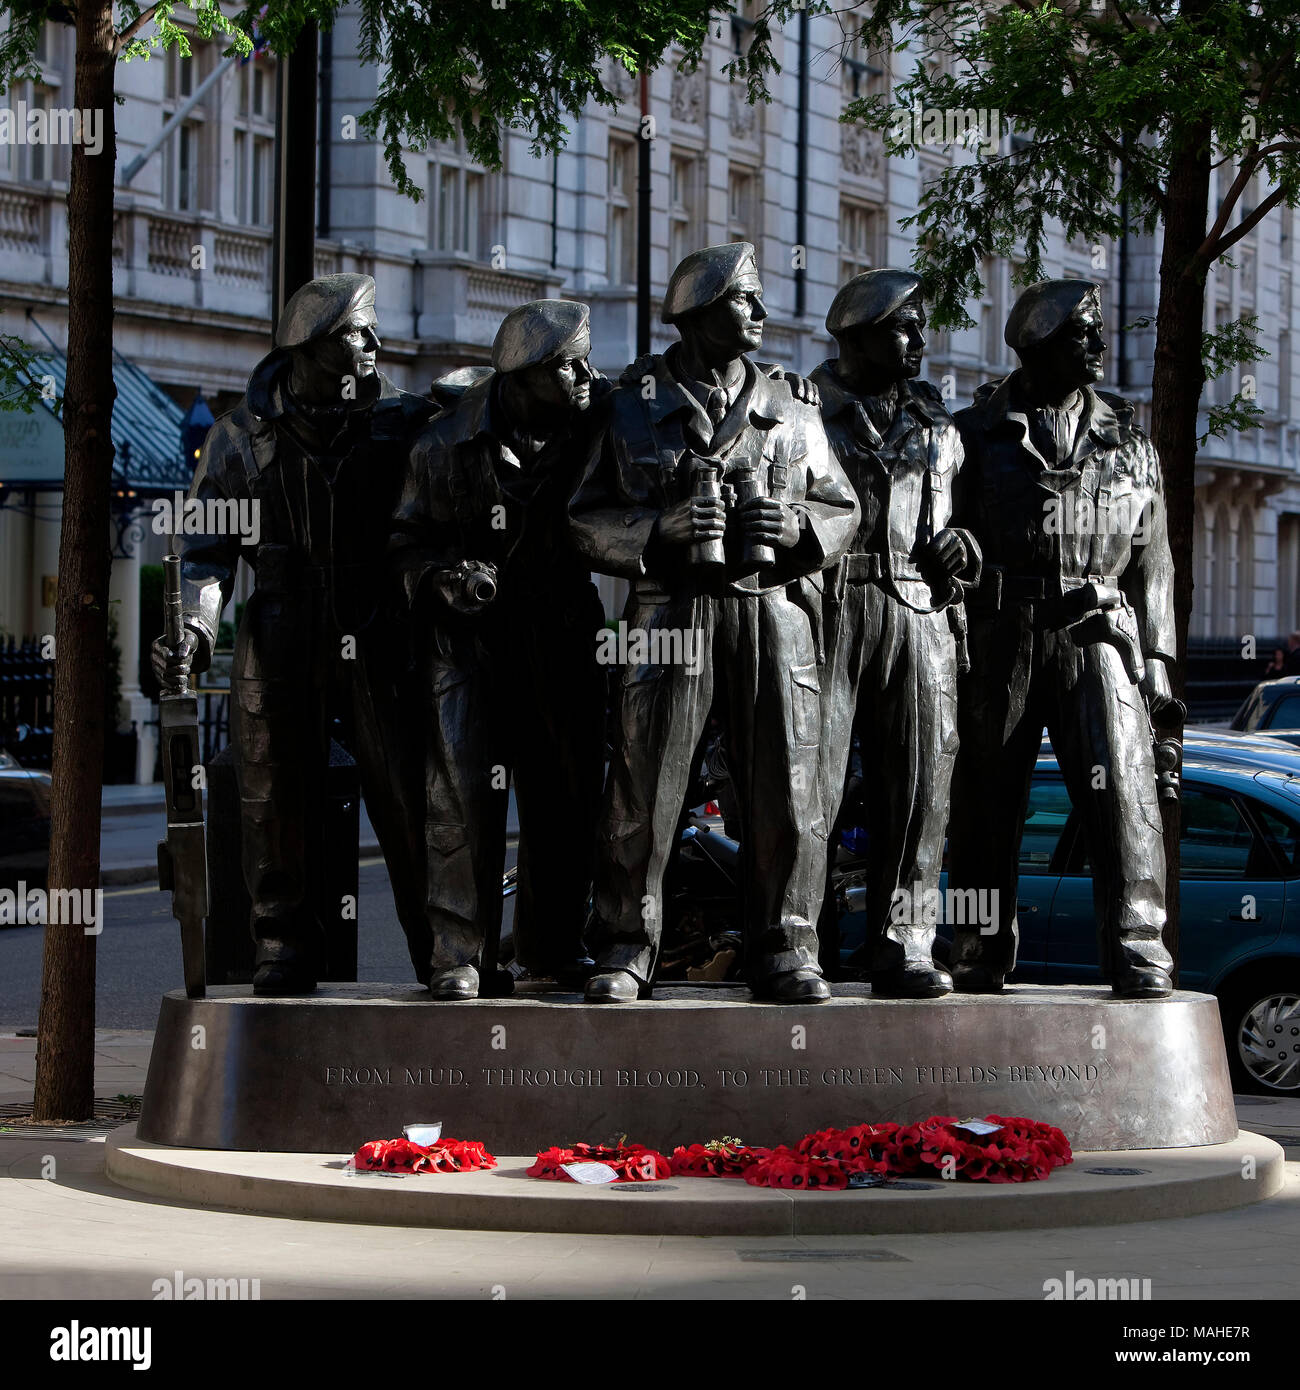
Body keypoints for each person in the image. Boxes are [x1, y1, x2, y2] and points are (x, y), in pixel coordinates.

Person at [569, 242, 859, 1004]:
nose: (761, 314)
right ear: (699, 313)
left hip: (771, 612)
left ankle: (789, 947)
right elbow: (582, 517)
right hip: (669, 610)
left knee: (788, 790)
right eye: (745, 301)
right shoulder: (629, 405)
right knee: (643, 786)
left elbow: (842, 508)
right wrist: (658, 531)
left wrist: (793, 523)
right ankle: (627, 946)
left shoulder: (794, 407)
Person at [151, 274, 435, 994]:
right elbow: (204, 556)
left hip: (376, 627)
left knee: (409, 793)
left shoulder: (401, 423)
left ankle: (442, 947)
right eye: (356, 331)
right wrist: (191, 626)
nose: (375, 344)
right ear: (308, 344)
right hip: (279, 629)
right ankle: (281, 947)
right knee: (272, 796)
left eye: (372, 330)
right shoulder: (237, 439)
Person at [947, 278, 1179, 999]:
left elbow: (1155, 565)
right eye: (1084, 332)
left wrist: (1160, 675)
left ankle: (1139, 945)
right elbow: (939, 528)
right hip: (1001, 632)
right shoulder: (975, 433)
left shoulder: (1130, 441)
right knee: (985, 801)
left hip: (1098, 635)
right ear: (1040, 344)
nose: (1100, 345)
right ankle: (976, 945)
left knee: (1122, 793)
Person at [390, 300, 607, 1000]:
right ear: (522, 375)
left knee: (567, 797)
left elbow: (665, 383)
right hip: (468, 645)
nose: (586, 376)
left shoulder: (597, 423)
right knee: (459, 803)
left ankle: (554, 944)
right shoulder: (441, 444)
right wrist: (438, 580)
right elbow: (404, 541)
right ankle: (462, 955)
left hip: (561, 634)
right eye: (569, 366)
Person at [810, 269, 981, 998]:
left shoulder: (939, 426)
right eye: (903, 328)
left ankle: (904, 943)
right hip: (828, 603)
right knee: (804, 785)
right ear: (855, 336)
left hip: (918, 606)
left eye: (920, 326)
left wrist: (962, 550)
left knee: (919, 793)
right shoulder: (801, 413)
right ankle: (794, 942)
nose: (919, 341)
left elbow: (949, 527)